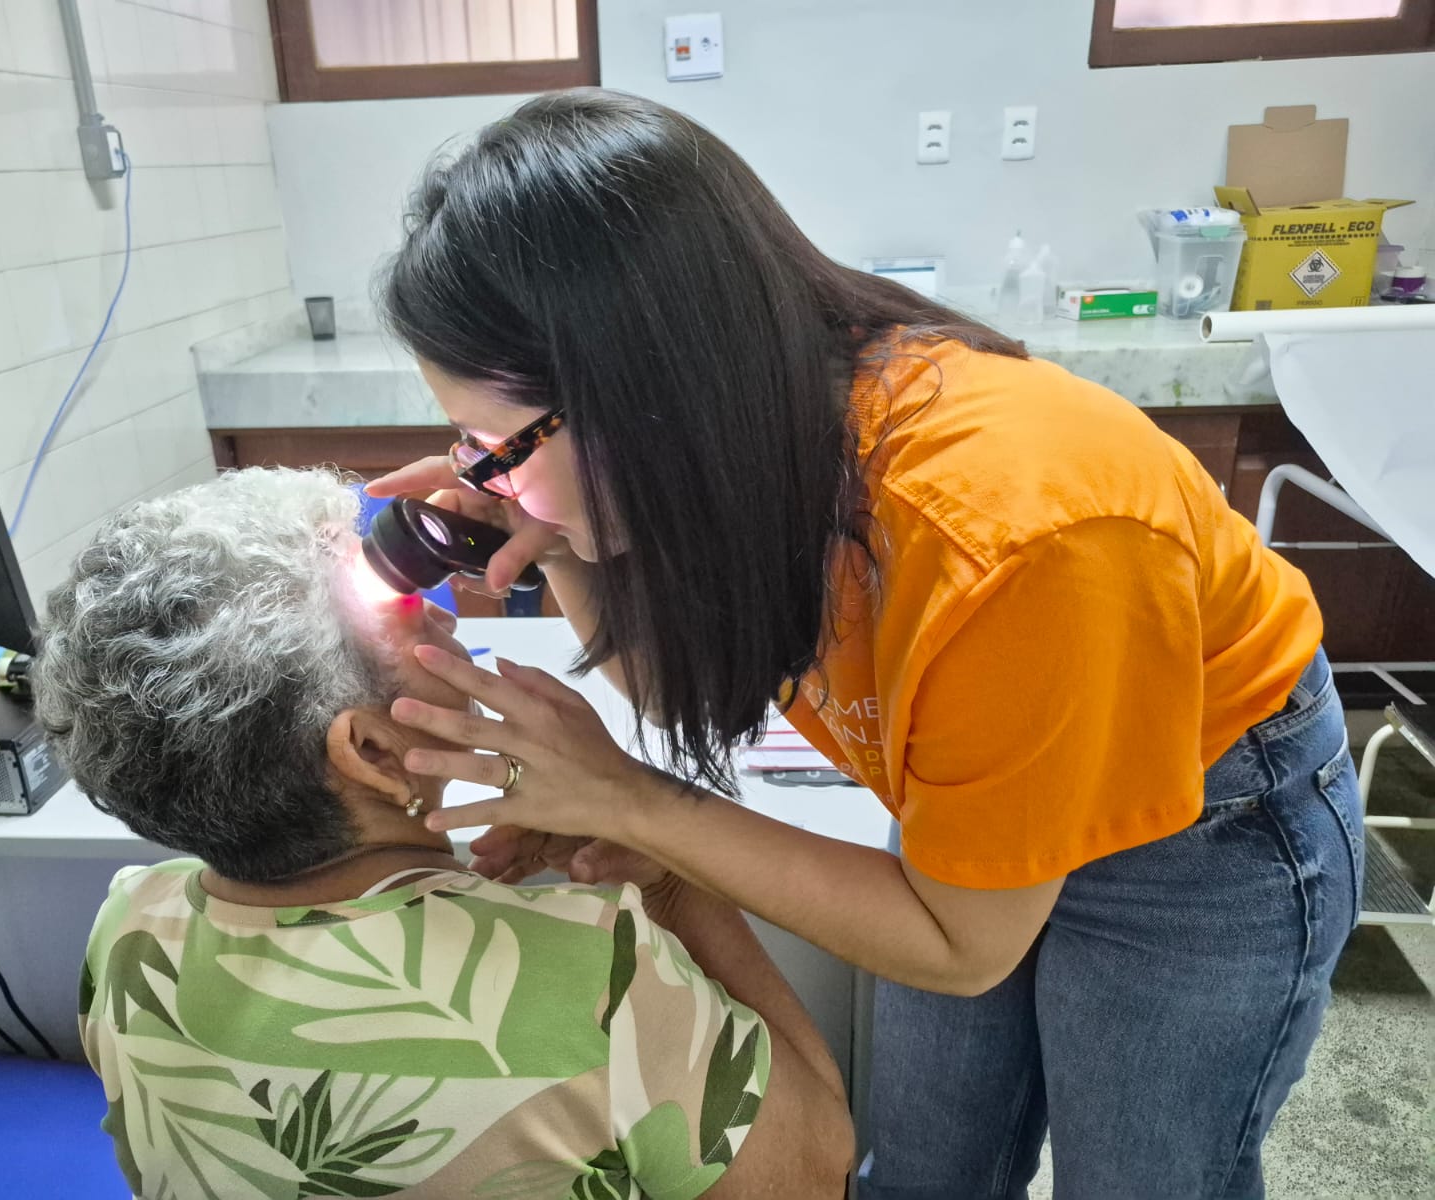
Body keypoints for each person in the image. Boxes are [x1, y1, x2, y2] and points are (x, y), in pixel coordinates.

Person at [367, 89, 1365, 1199]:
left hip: (1205, 817)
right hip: (973, 794)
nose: (480, 479)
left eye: (497, 445)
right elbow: (676, 695)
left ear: (642, 391)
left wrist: (629, 804)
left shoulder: (1008, 537)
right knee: (926, 1166)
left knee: (1143, 1179)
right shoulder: (748, 443)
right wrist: (558, 540)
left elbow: (959, 944)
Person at [33, 466, 853, 1199]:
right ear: (373, 752)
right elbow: (818, 1169)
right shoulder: (588, 972)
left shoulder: (132, 929)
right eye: (401, 612)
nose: (440, 615)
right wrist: (670, 881)